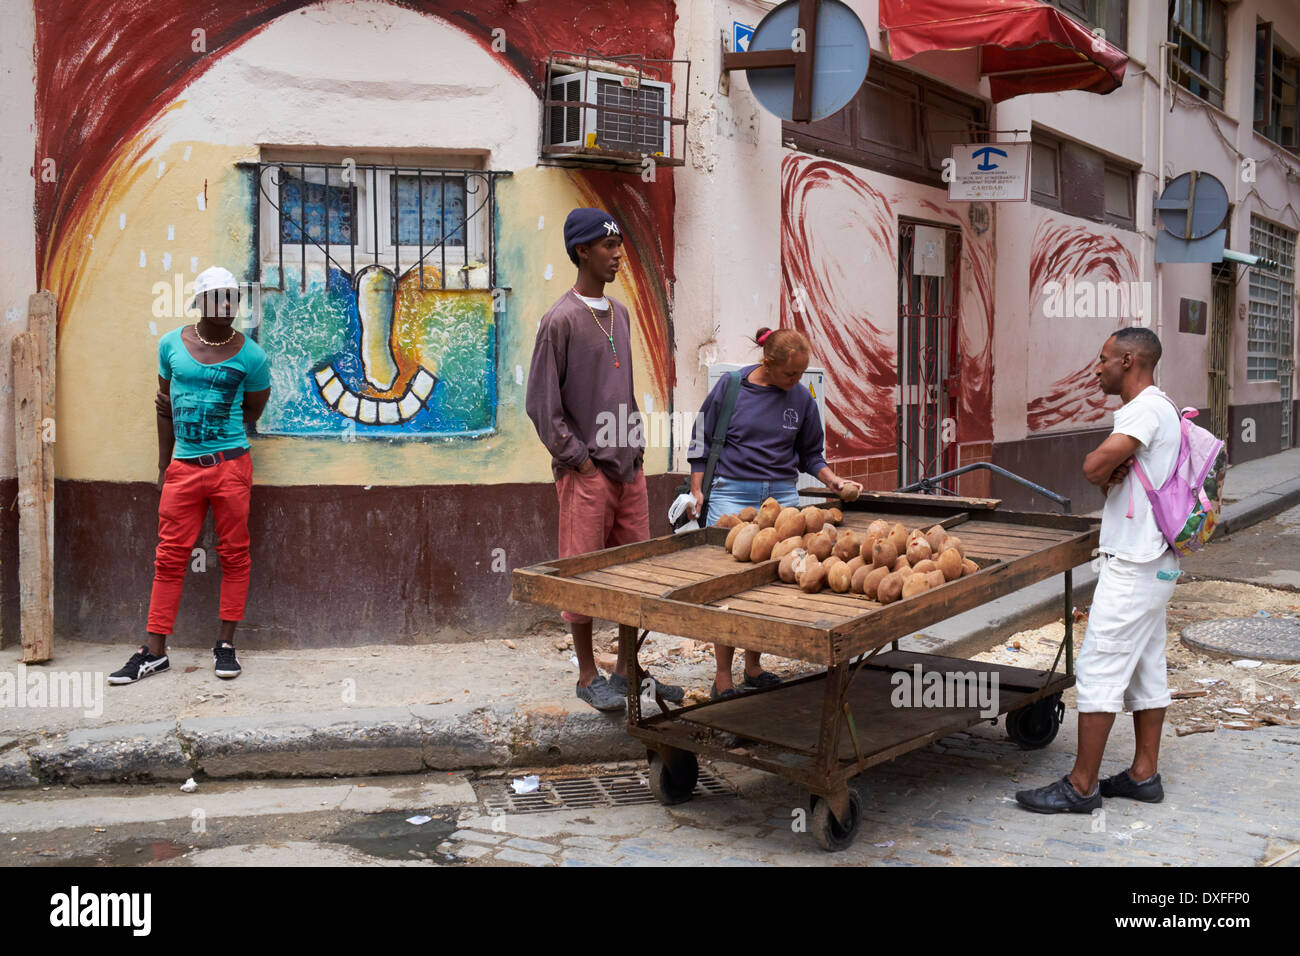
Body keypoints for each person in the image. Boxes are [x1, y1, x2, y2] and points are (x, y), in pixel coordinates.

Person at [526, 207, 685, 713]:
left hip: (628, 469)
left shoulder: (621, 313)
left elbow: (625, 390)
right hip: (586, 474)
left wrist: (635, 451)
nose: (618, 254)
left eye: (618, 245)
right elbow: (542, 405)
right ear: (582, 252)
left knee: (634, 574)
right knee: (584, 574)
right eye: (607, 246)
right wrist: (581, 462)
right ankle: (588, 673)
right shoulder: (560, 320)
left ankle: (627, 670)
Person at [1016, 327, 1181, 813]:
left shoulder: (1144, 410)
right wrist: (1111, 471)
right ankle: (1143, 775)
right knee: (1147, 668)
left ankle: (1081, 786)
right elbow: (1114, 472)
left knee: (1099, 668)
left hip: (1135, 563)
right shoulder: (1164, 406)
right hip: (1157, 561)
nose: (1097, 367)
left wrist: (1103, 467)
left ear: (1128, 361)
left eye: (1104, 359)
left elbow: (1093, 466)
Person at [109, 267, 271, 685]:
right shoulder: (170, 345)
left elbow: (253, 411)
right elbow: (164, 407)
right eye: (217, 297)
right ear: (199, 301)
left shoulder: (251, 356)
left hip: (231, 466)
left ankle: (225, 645)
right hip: (184, 467)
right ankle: (155, 651)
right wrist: (165, 466)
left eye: (233, 298)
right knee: (169, 557)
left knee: (234, 553)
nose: (227, 306)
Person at [687, 327, 862, 699]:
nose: (797, 381)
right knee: (730, 587)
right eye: (790, 374)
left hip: (783, 499)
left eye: (801, 373)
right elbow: (701, 439)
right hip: (733, 495)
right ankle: (722, 677)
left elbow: (811, 454)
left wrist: (832, 481)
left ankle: (753, 666)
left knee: (769, 582)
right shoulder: (732, 387)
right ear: (768, 362)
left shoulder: (800, 398)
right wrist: (697, 490)